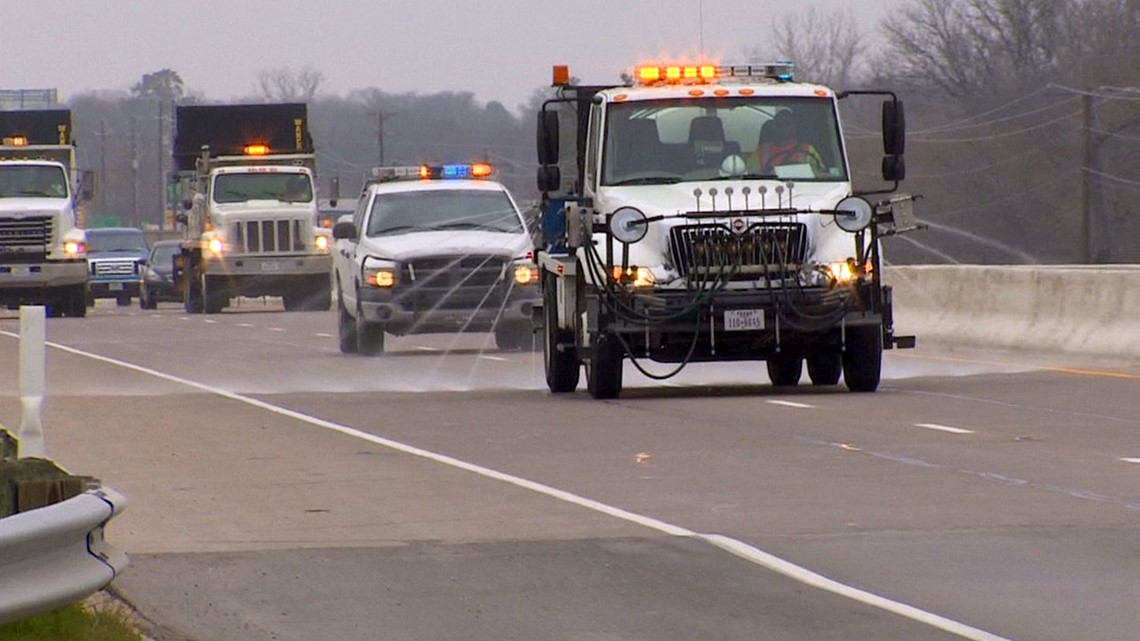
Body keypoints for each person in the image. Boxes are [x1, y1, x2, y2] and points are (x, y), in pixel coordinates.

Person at [755, 110, 825, 175]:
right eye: (779, 124)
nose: (782, 127)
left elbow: (820, 174)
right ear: (773, 127)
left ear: (794, 126)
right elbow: (751, 176)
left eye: (786, 123)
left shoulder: (808, 149)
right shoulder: (761, 152)